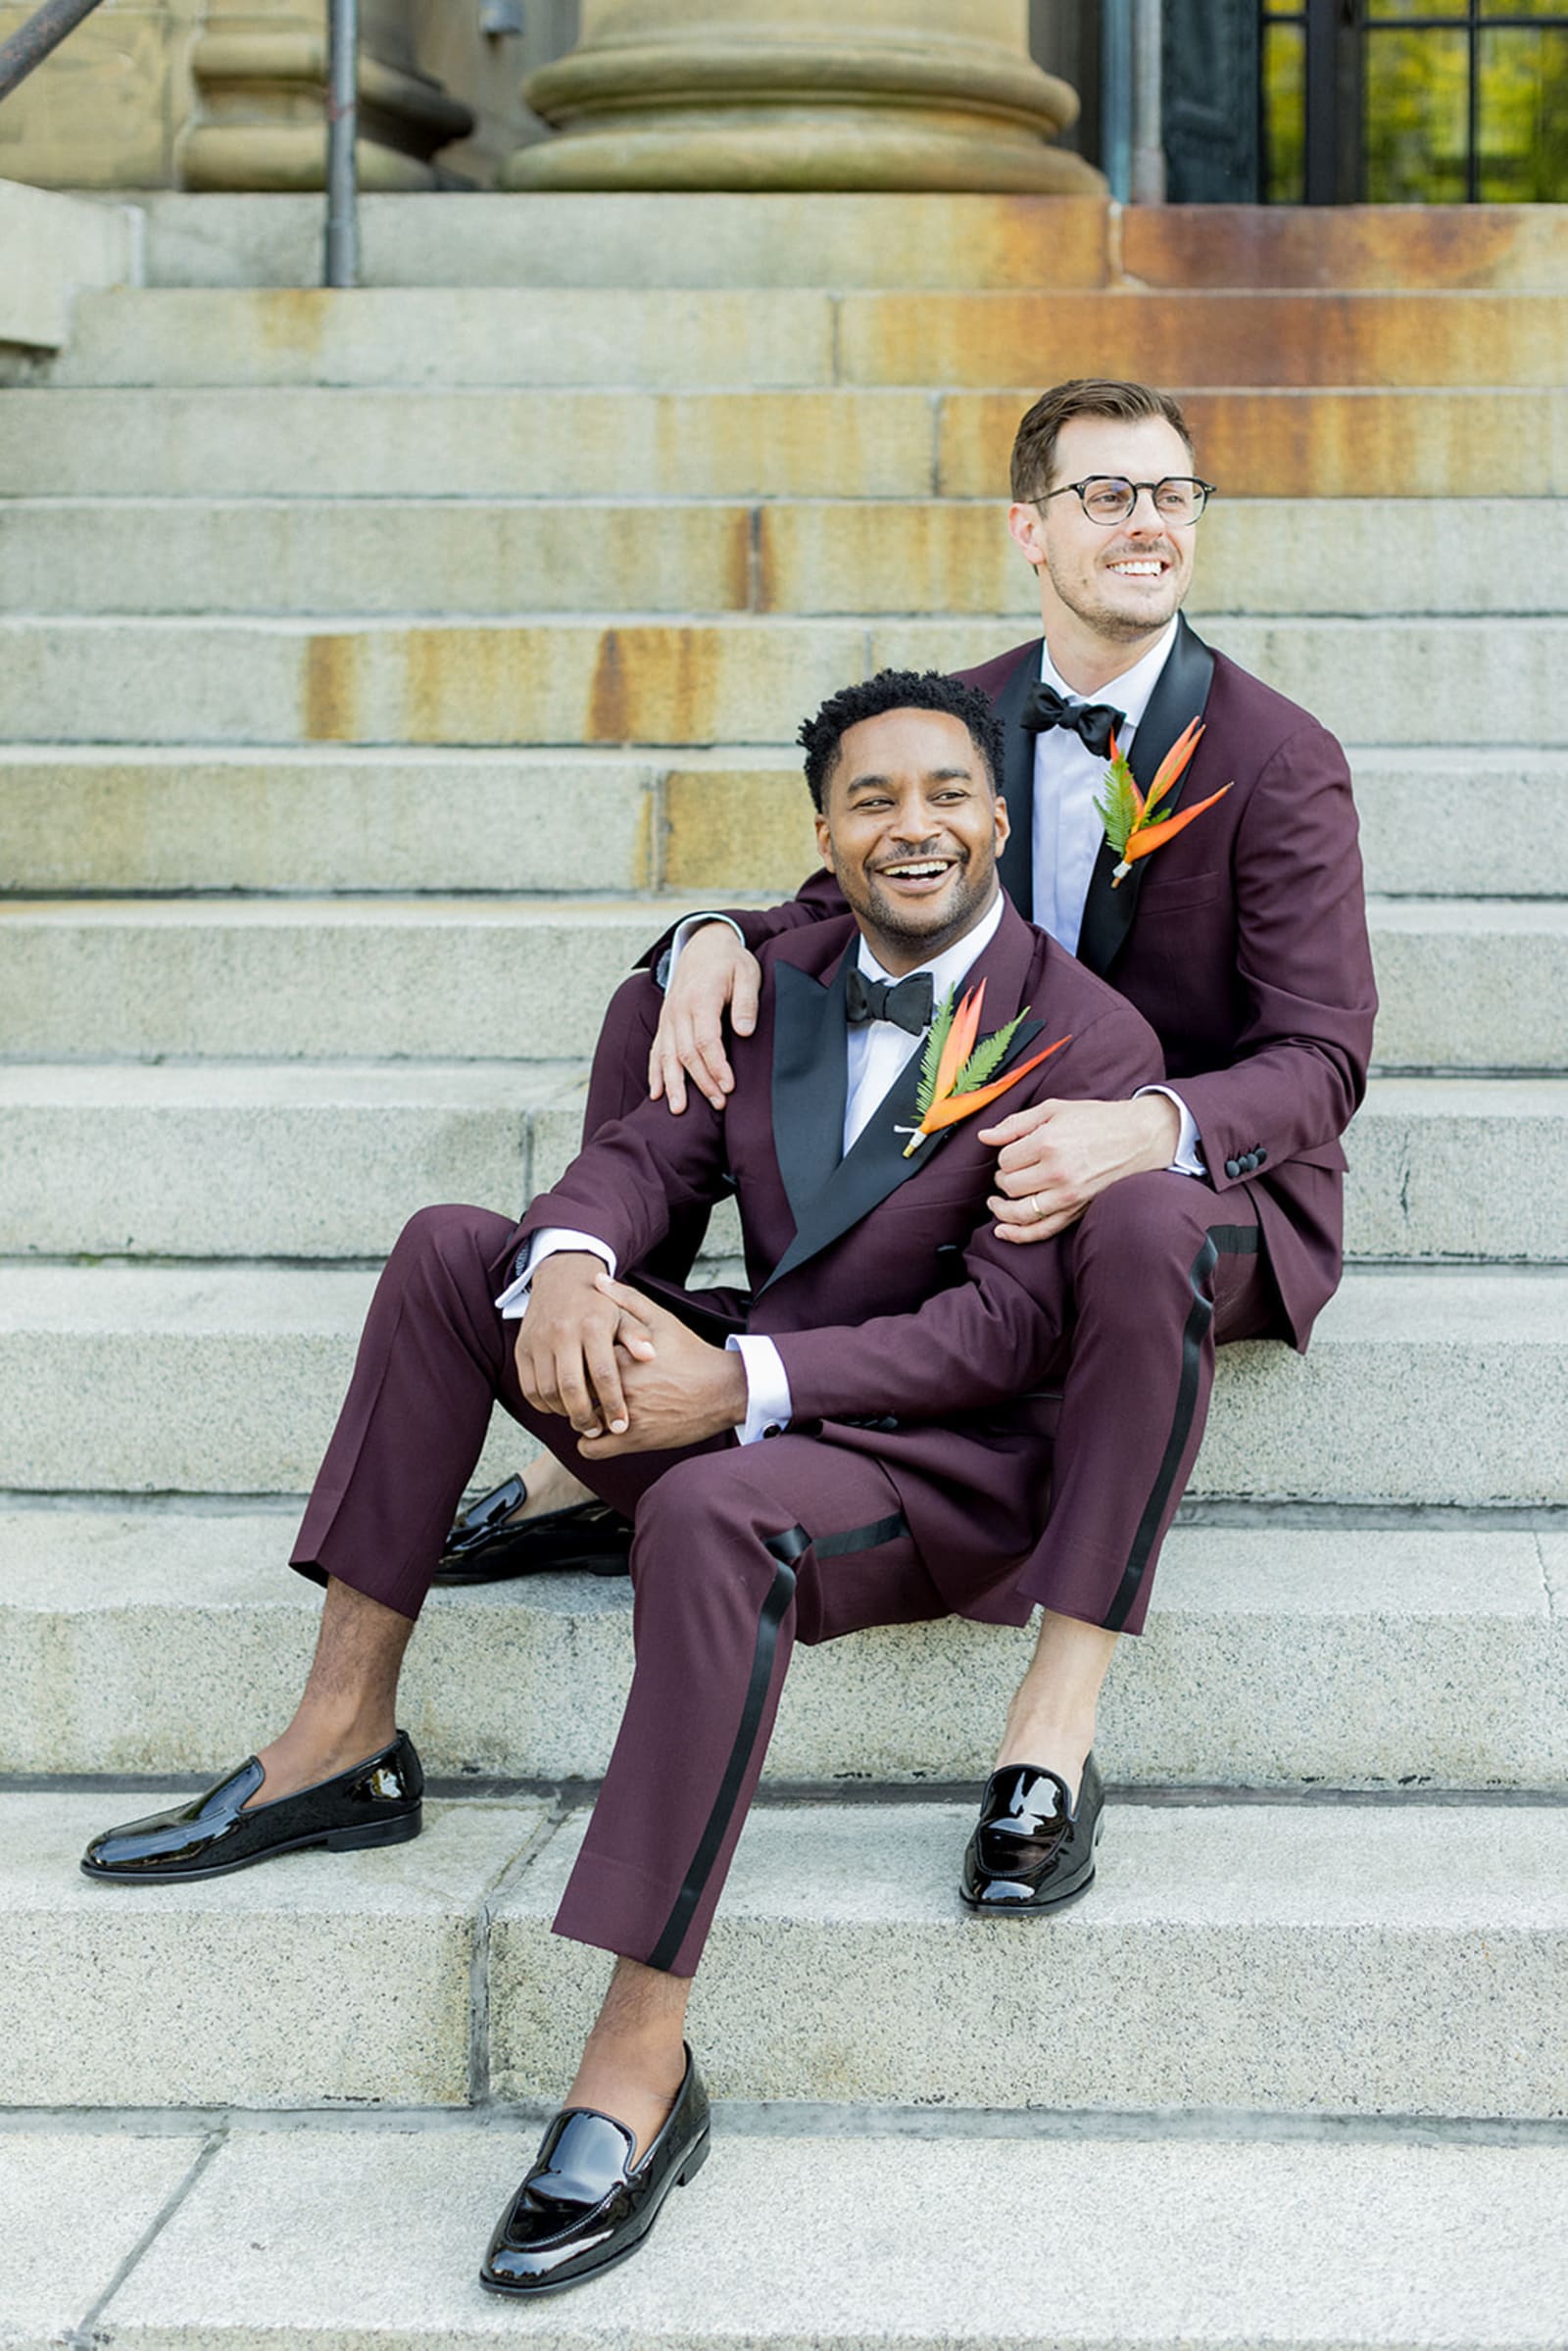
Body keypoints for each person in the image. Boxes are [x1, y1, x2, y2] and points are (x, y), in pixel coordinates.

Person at [79, 671, 1162, 2296]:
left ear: (999, 820)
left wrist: (746, 1386)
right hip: (733, 1389)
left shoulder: (1086, 1030)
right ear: (824, 835)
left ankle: (640, 2056)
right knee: (465, 1255)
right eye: (874, 801)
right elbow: (649, 1158)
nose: (913, 826)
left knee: (716, 1507)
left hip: (935, 1473)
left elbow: (1004, 1333)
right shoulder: (773, 976)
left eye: (946, 794)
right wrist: (579, 1258)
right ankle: (345, 1738)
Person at [482, 376, 1378, 1863]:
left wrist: (1143, 1124)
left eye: (1172, 496)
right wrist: (710, 931)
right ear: (1031, 529)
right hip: (977, 1137)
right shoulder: (968, 712)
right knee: (679, 1003)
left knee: (1142, 1220)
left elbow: (1323, 1060)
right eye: (1108, 496)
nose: (1146, 525)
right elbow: (857, 900)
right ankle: (629, 1406)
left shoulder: (1279, 759)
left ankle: (1057, 1709)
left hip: (1200, 1179)